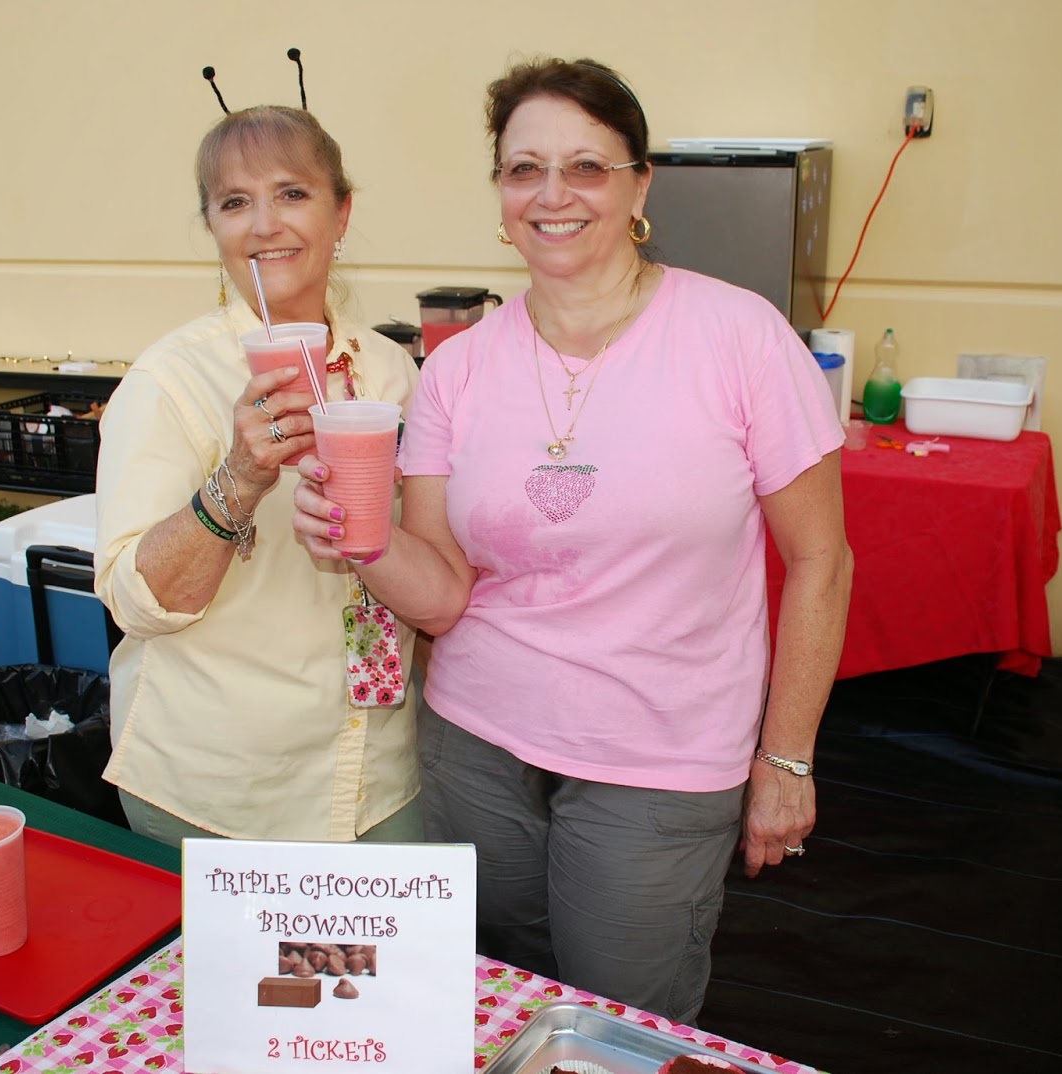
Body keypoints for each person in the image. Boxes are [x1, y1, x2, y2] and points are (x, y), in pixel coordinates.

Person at [292, 57, 850, 1023]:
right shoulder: (458, 370)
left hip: (660, 763)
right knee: (499, 996)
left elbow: (821, 562)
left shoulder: (740, 339)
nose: (553, 195)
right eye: (524, 170)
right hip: (475, 749)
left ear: (639, 185)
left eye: (586, 167)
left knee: (617, 1021)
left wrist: (787, 759)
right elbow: (445, 592)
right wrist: (361, 535)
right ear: (501, 194)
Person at [93, 105, 422, 847]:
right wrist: (238, 478)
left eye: (293, 193)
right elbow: (134, 603)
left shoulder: (390, 368)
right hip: (224, 789)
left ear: (342, 213)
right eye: (235, 202)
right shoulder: (169, 380)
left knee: (374, 967)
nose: (265, 224)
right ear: (212, 227)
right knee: (252, 972)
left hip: (380, 773)